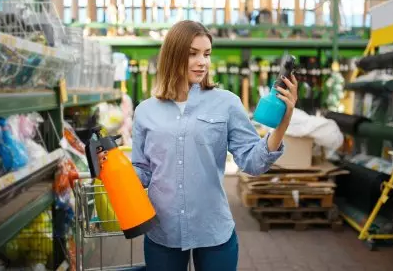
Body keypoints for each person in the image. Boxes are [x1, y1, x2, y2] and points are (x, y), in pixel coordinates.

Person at [99, 20, 298, 271]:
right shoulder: (146, 111)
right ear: (173, 55)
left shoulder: (227, 103)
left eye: (206, 54)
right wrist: (111, 167)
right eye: (192, 54)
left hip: (213, 229)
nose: (202, 61)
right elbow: (144, 172)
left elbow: (252, 161)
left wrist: (283, 122)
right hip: (164, 230)